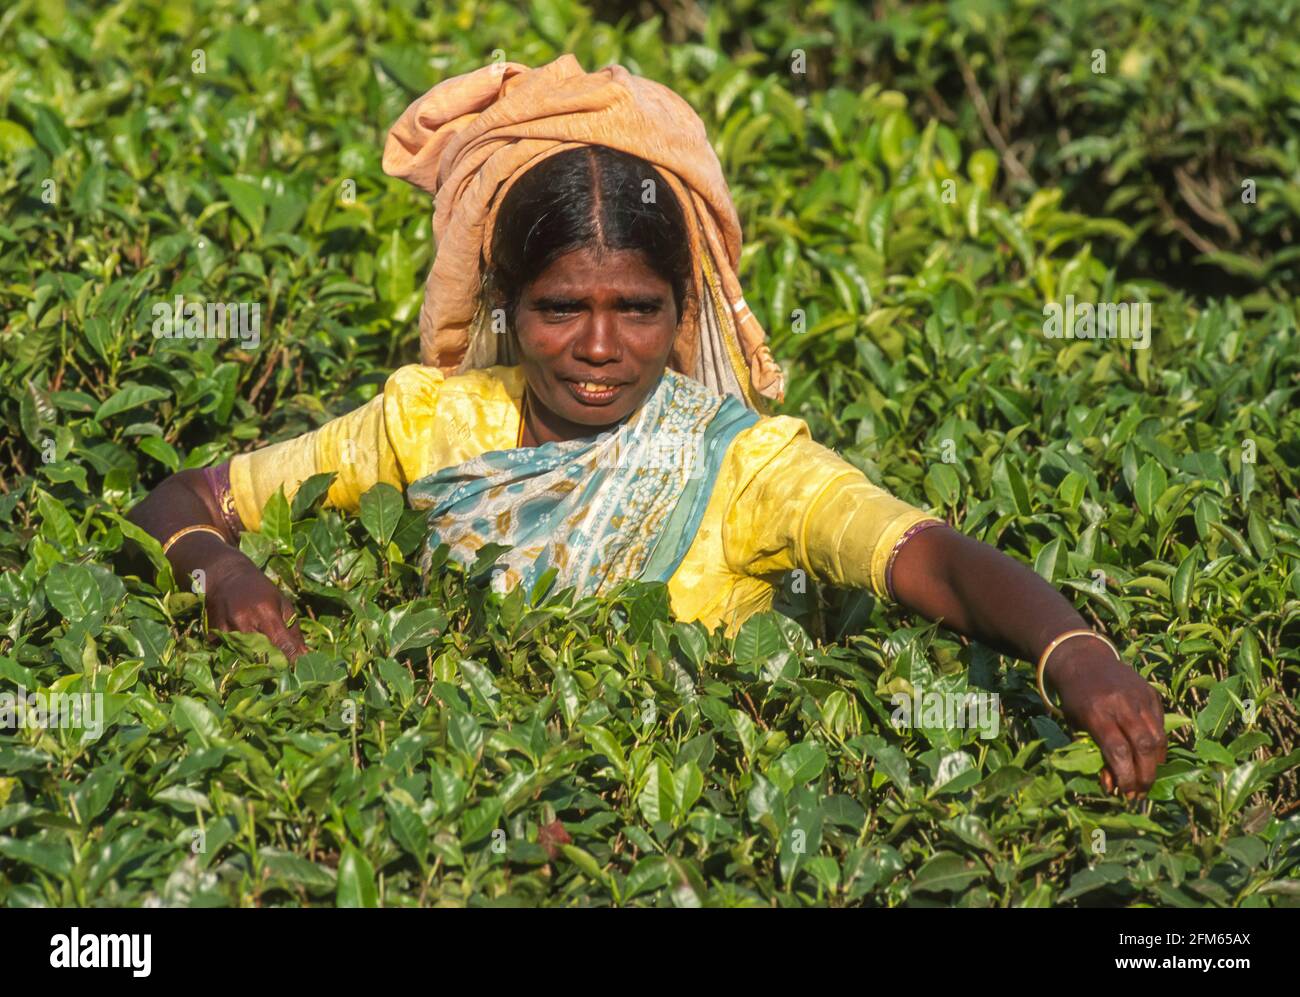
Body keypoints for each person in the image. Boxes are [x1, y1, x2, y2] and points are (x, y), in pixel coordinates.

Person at [127, 55, 1165, 799]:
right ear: (507, 306)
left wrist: (1071, 649)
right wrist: (216, 569)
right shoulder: (430, 421)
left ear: (681, 310)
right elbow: (179, 499)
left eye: (635, 309)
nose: (596, 344)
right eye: (558, 308)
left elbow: (921, 553)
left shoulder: (742, 464)